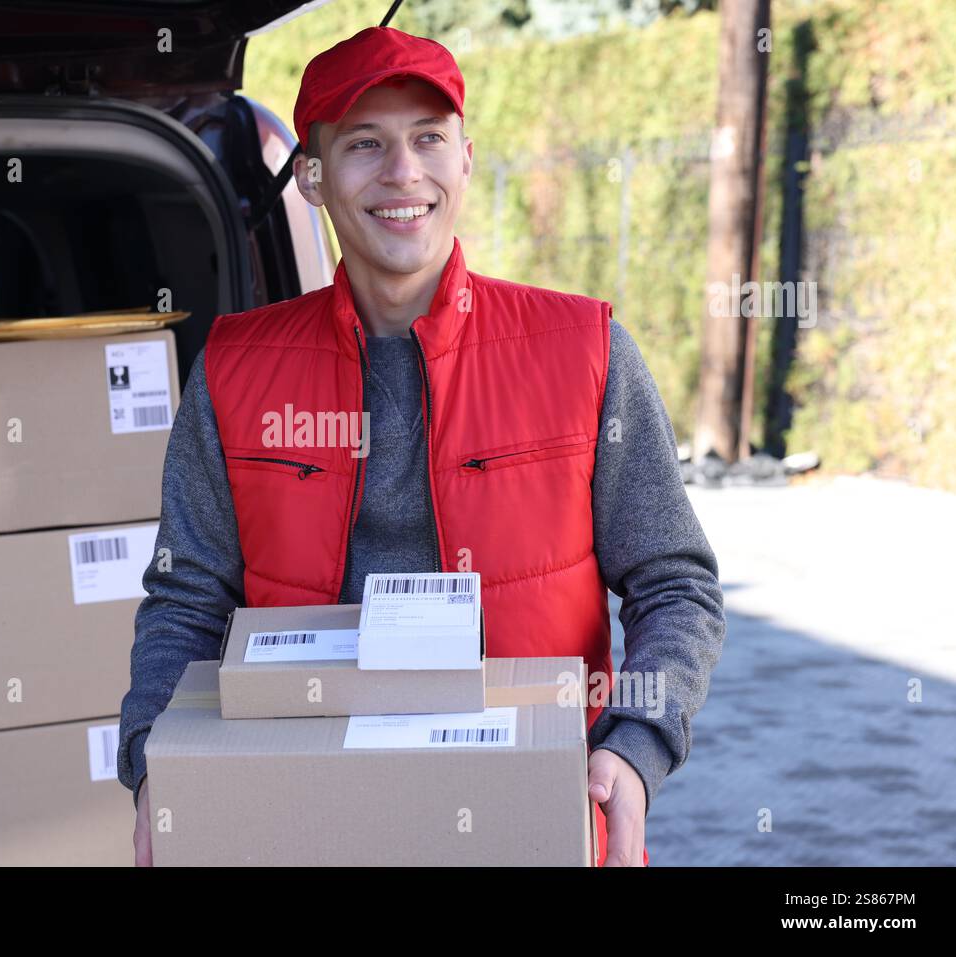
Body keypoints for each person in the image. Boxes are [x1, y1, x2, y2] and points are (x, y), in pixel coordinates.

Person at [119, 25, 725, 867]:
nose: (403, 172)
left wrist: (634, 745)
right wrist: (153, 761)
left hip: (529, 812)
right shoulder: (234, 371)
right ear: (314, 177)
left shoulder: (581, 350)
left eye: (428, 139)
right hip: (304, 820)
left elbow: (675, 581)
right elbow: (187, 601)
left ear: (465, 161)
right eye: (365, 144)